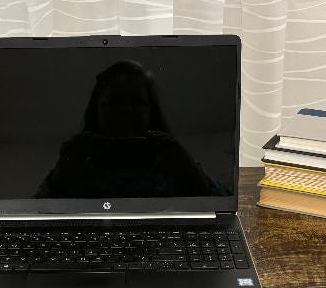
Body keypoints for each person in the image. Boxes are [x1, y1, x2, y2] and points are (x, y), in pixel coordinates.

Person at [35, 59, 222, 199]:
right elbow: (34, 215)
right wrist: (58, 180)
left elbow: (220, 208)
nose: (126, 110)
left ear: (151, 111)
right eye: (114, 102)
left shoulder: (172, 160)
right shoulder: (78, 163)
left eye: (137, 102)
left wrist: (190, 171)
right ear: (96, 112)